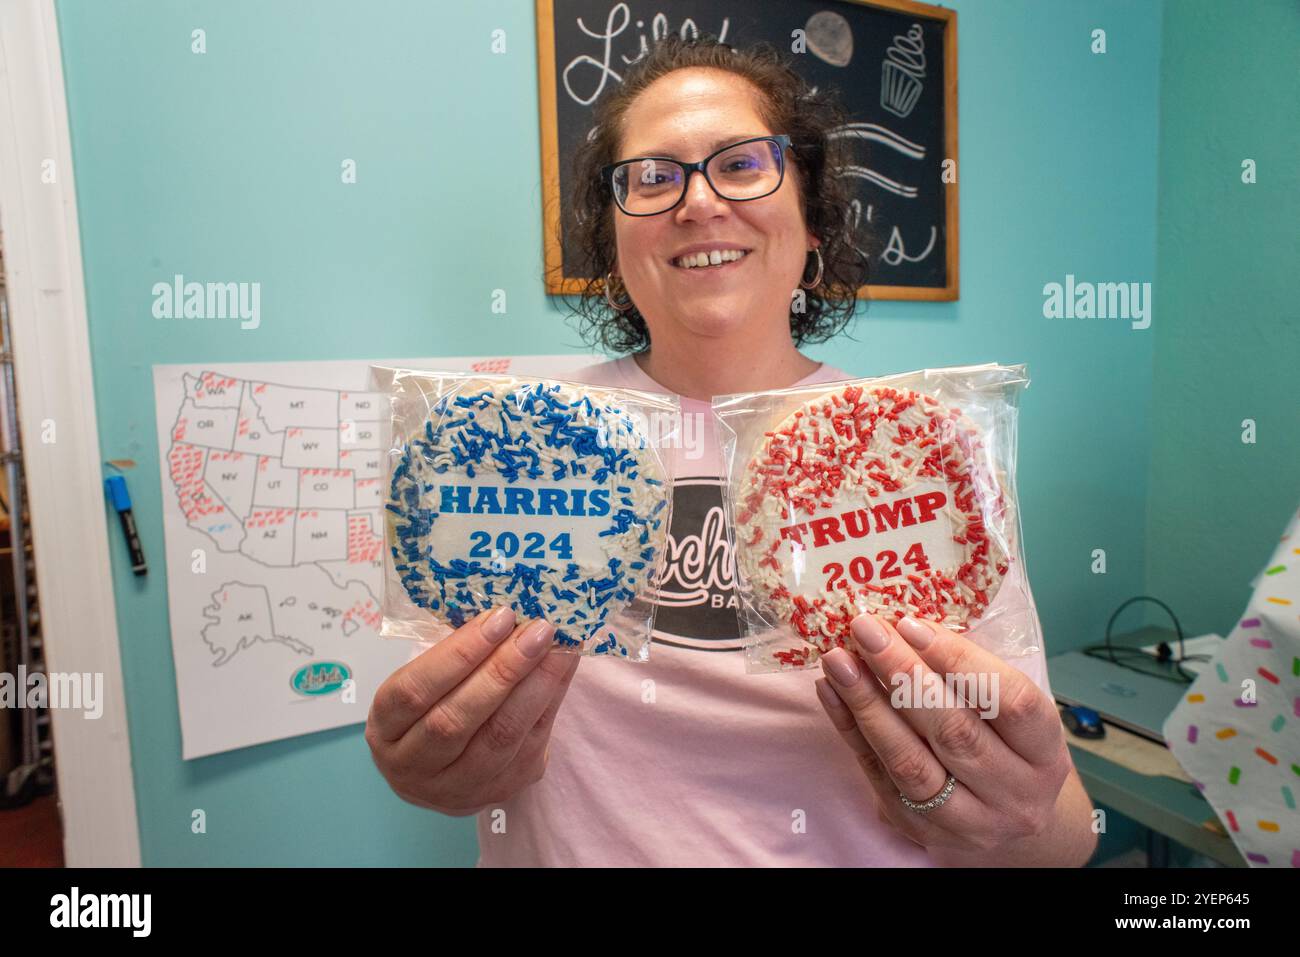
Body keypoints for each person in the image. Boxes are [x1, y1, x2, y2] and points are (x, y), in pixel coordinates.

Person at [366, 36, 1098, 866]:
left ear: (812, 219)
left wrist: (1010, 818)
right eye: (653, 177)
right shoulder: (520, 447)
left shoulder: (914, 452)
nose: (698, 202)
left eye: (743, 164)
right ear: (612, 244)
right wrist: (438, 772)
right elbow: (457, 739)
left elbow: (1062, 836)